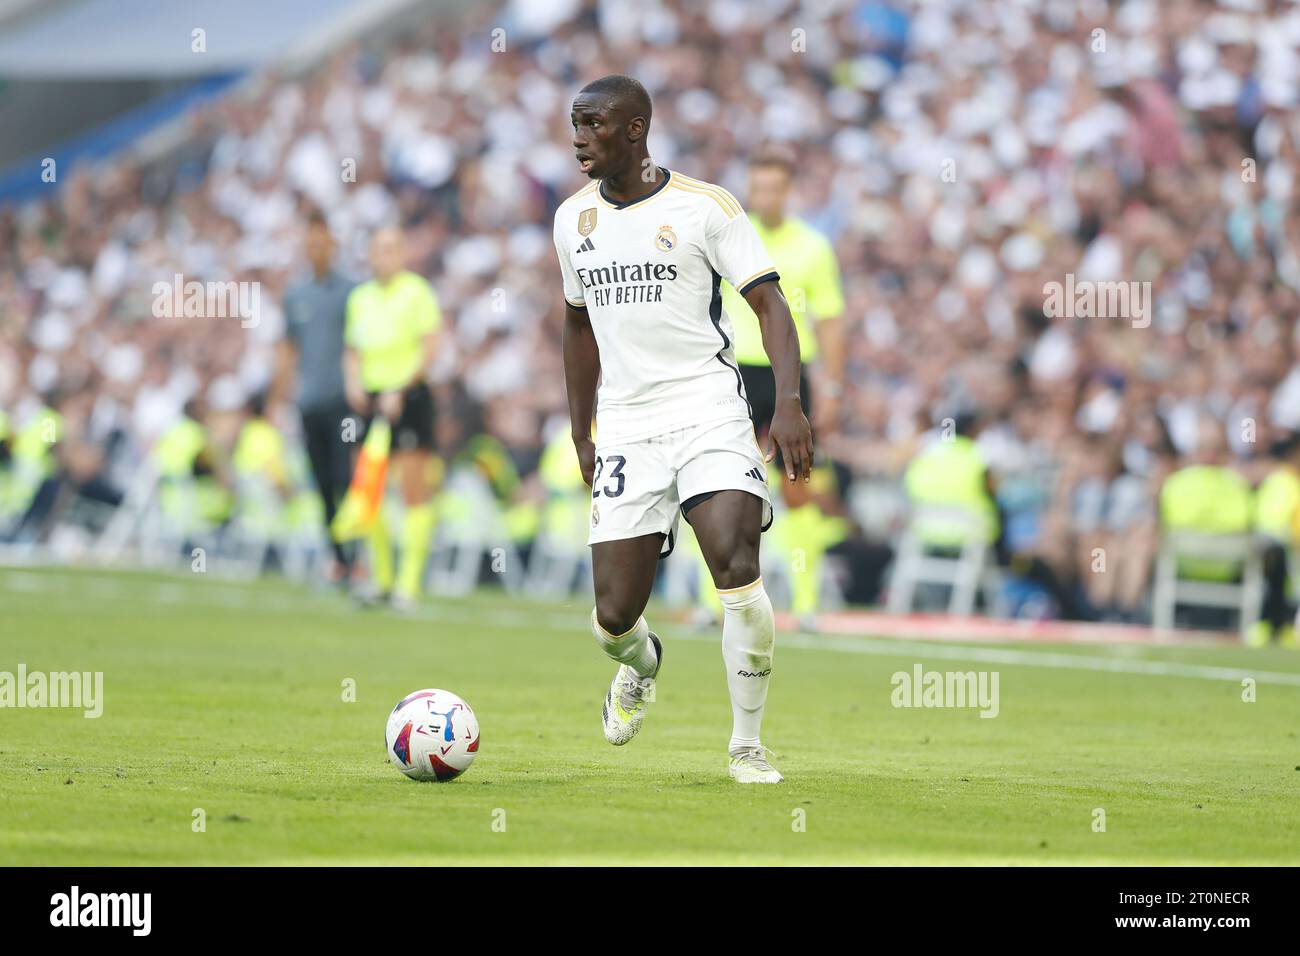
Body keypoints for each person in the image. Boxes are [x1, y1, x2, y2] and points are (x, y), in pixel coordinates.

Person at [555, 75, 813, 784]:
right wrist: (584, 431)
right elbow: (576, 328)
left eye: (593, 124)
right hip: (630, 426)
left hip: (708, 409)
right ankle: (642, 664)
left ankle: (747, 745)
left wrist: (786, 401)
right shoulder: (571, 220)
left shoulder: (706, 208)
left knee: (735, 566)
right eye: (575, 124)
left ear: (635, 130)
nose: (579, 138)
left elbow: (771, 306)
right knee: (612, 618)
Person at [343, 227, 442, 612]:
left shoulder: (416, 292)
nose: (385, 256)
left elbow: (429, 347)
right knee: (369, 487)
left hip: (408, 396)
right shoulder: (360, 297)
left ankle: (408, 584)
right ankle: (380, 578)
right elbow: (351, 349)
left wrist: (401, 388)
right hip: (369, 399)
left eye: (392, 248)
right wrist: (352, 383)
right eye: (379, 249)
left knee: (413, 489)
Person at [277, 211, 358, 585]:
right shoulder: (296, 295)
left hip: (342, 401)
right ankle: (338, 558)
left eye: (321, 243)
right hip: (309, 402)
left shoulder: (350, 291)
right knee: (323, 484)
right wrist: (282, 396)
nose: (316, 250)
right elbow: (289, 350)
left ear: (333, 246)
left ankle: (354, 555)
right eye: (310, 244)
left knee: (347, 479)